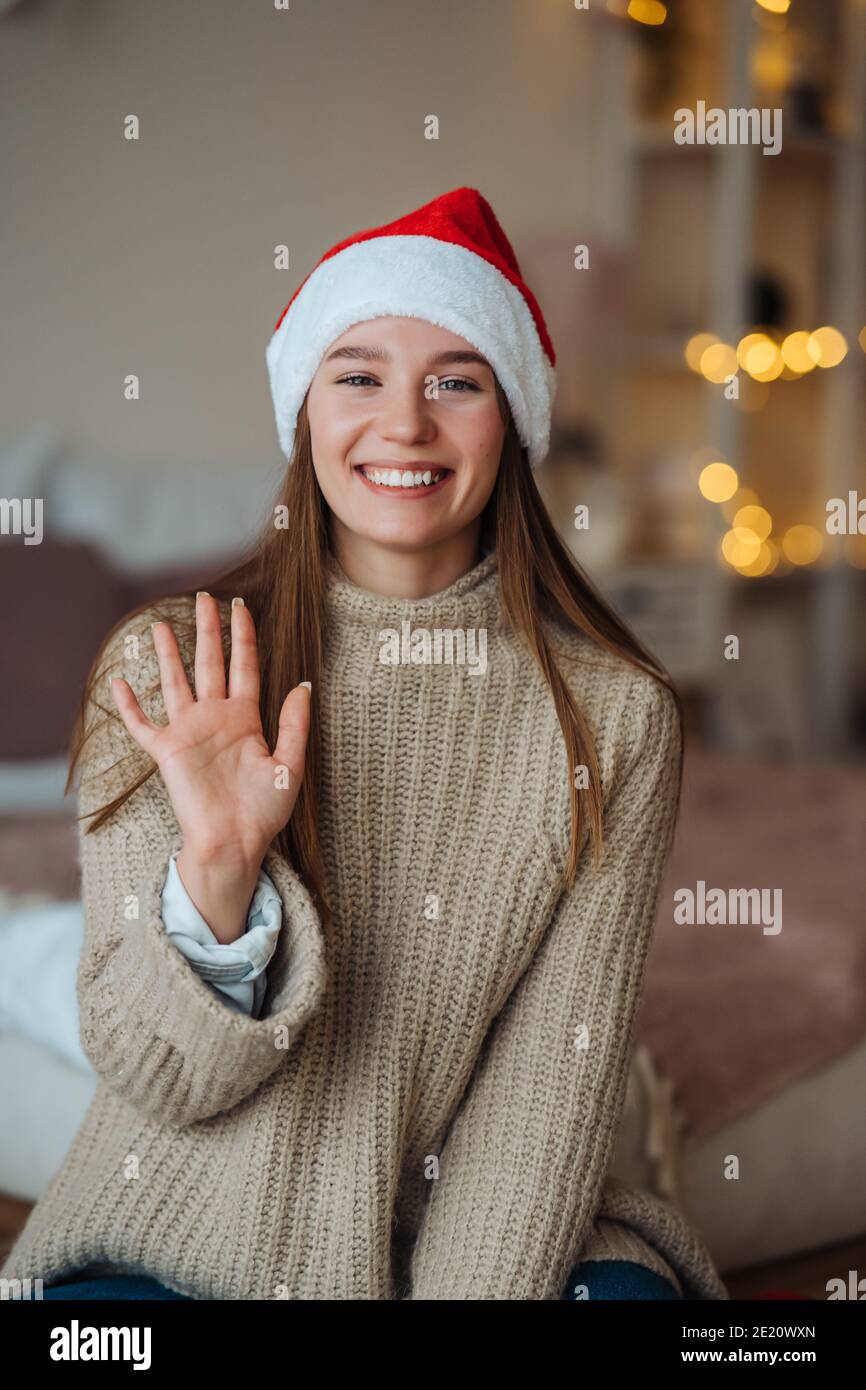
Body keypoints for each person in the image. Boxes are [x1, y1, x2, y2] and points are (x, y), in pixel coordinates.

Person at [2, 187, 728, 1302]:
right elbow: (154, 1074)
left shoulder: (615, 715)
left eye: (455, 380)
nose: (403, 424)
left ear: (512, 421)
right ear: (304, 412)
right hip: (180, 1231)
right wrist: (219, 877)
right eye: (357, 377)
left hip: (470, 1237)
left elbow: (542, 1096)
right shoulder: (163, 668)